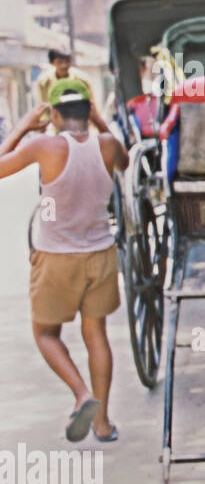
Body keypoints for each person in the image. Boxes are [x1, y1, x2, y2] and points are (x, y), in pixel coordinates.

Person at [0, 78, 128, 442]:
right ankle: (103, 424)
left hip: (56, 258)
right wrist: (101, 121)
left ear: (54, 113)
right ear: (87, 110)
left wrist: (25, 126)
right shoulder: (106, 145)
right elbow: (126, 161)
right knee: (96, 333)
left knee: (45, 333)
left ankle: (82, 393)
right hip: (100, 256)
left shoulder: (45, 145)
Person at [33, 49, 99, 119]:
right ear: (52, 62)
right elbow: (42, 107)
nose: (64, 65)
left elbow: (91, 105)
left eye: (67, 61)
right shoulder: (44, 81)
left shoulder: (81, 80)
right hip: (53, 123)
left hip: (78, 121)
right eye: (60, 62)